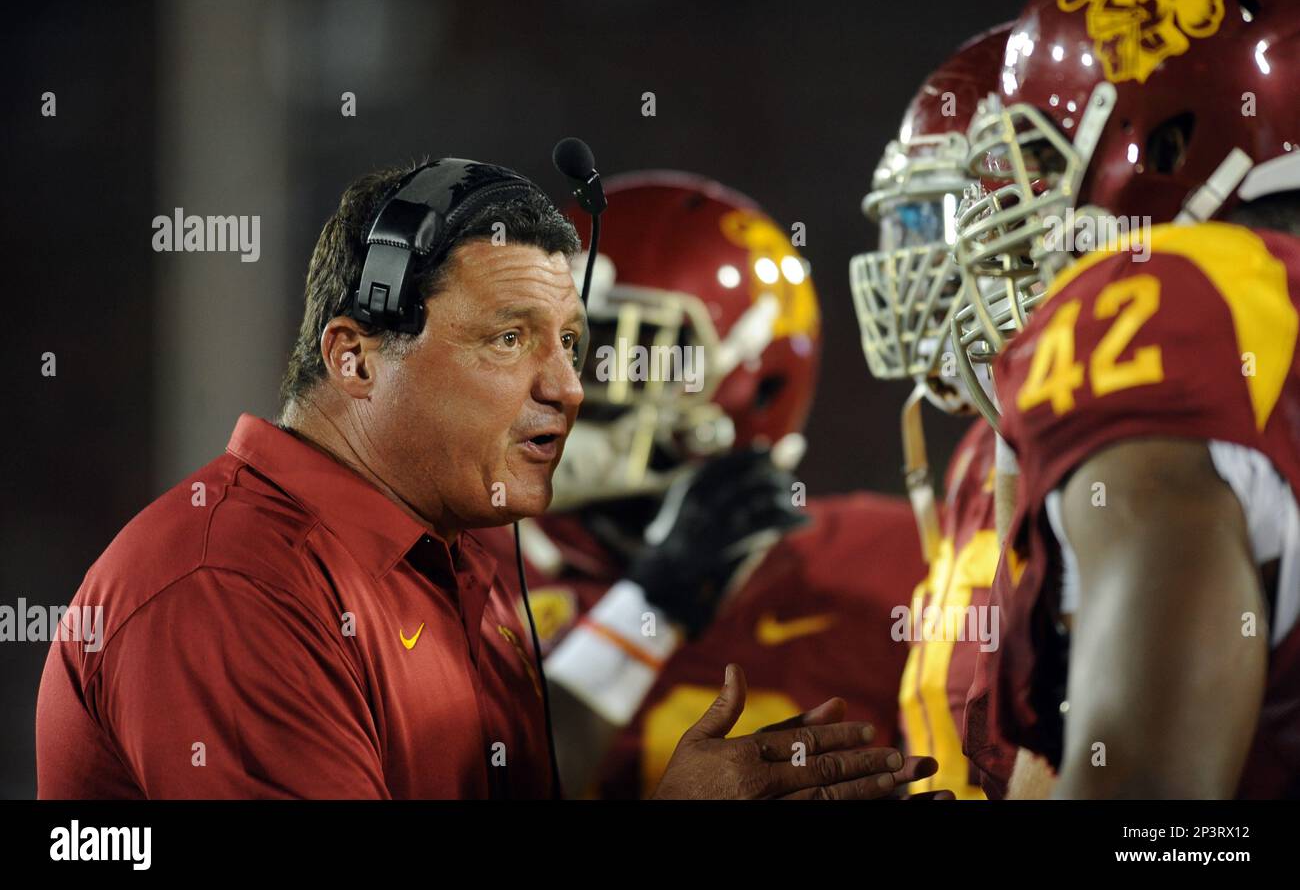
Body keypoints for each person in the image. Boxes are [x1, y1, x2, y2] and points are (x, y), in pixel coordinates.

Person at [36, 157, 941, 799]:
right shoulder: (230, 584)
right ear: (354, 359)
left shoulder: (460, 551)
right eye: (508, 340)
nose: (570, 389)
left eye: (573, 347)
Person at [950, 0, 1300, 798]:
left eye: (1038, 161)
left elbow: (1146, 810)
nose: (1020, 210)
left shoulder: (1172, 303)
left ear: (1169, 139)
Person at [477, 171, 936, 798]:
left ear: (754, 380)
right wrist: (649, 606)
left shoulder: (891, 565)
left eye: (614, 351)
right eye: (530, 343)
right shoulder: (465, 568)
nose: (558, 384)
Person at [849, 24, 1016, 799]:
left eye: (935, 219)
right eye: (902, 225)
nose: (906, 261)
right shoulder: (981, 447)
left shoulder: (1110, 432)